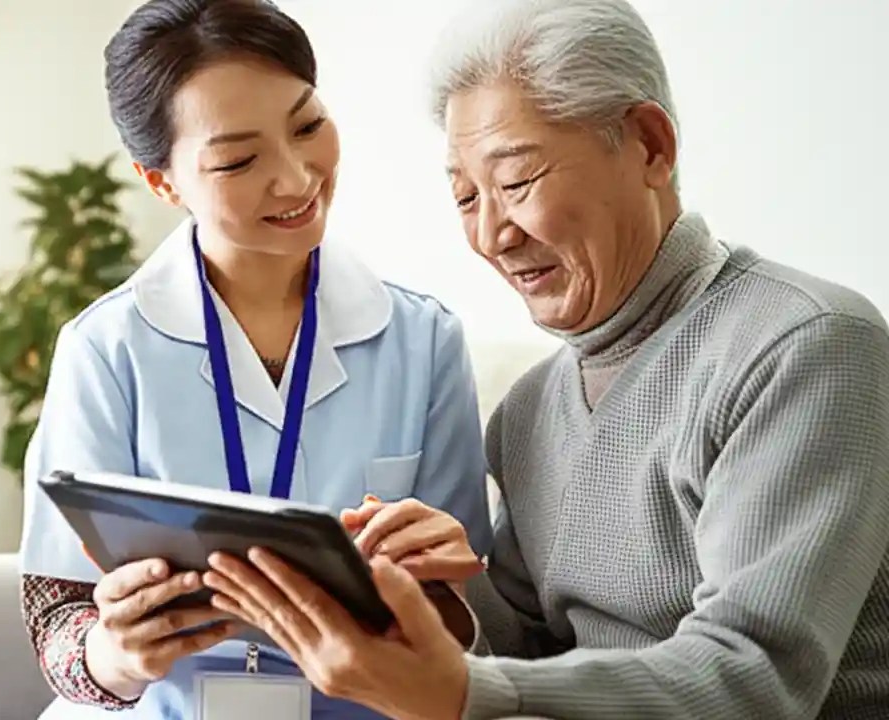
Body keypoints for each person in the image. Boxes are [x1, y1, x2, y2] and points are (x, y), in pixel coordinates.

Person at [203, 0, 889, 718]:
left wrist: (469, 691)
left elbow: (755, 677)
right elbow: (531, 652)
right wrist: (440, 591)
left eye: (517, 181)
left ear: (650, 145)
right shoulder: (530, 409)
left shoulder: (806, 344)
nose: (492, 234)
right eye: (466, 195)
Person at [18, 1, 494, 718]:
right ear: (163, 182)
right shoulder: (106, 349)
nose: (297, 178)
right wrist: (117, 653)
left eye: (307, 125)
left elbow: (467, 617)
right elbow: (56, 621)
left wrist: (440, 591)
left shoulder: (424, 341)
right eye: (239, 159)